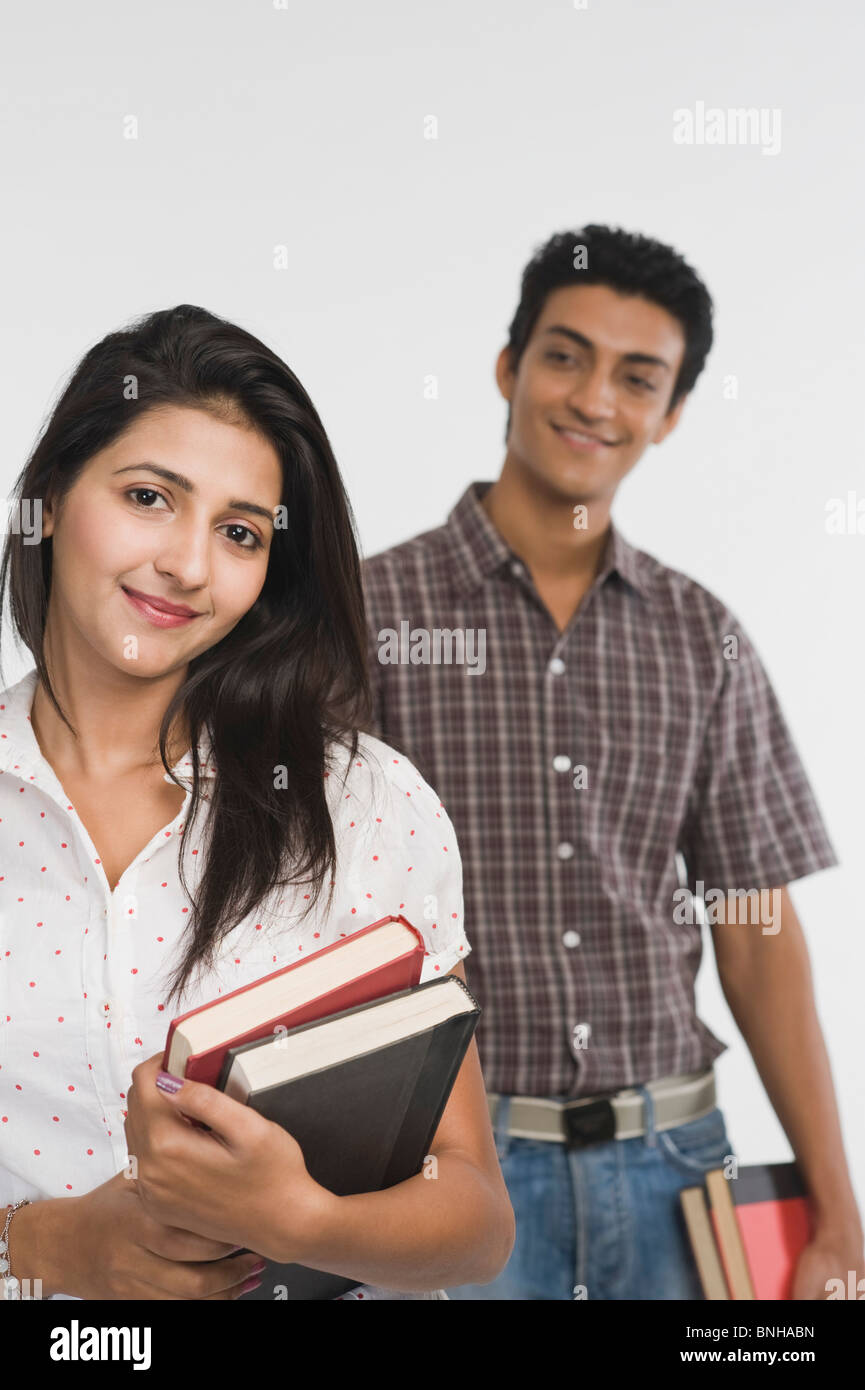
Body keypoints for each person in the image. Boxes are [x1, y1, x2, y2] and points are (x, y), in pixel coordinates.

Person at [360, 225, 864, 1300]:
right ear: (508, 366)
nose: (594, 398)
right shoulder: (367, 616)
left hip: (677, 1170)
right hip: (449, 1175)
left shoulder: (699, 636)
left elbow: (757, 933)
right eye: (564, 354)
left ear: (670, 413)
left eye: (637, 377)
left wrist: (839, 1207)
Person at [0, 304, 514, 1301]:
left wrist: (301, 1221)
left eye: (239, 531)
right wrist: (42, 1247)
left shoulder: (363, 802)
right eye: (149, 496)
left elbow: (476, 1222)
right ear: (54, 496)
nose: (188, 565)